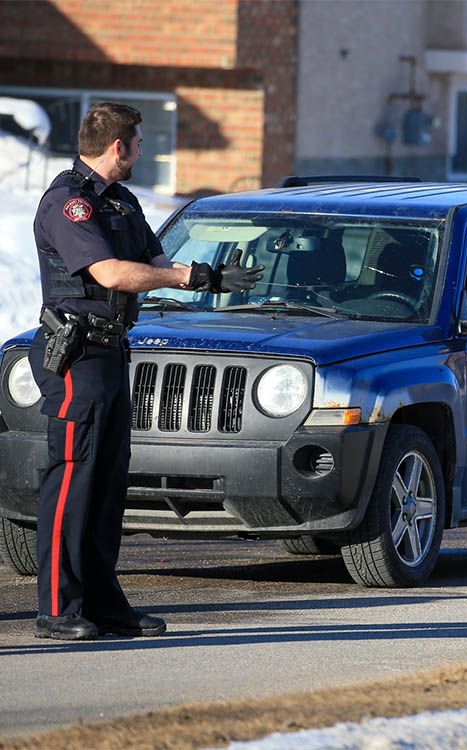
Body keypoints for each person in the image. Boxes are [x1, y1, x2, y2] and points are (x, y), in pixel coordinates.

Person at [29, 102, 262, 640]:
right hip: (76, 357)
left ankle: (104, 605)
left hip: (111, 355)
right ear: (118, 147)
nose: (141, 151)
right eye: (137, 143)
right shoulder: (69, 204)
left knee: (108, 484)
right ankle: (58, 609)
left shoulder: (123, 203)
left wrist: (209, 275)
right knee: (72, 481)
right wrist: (184, 278)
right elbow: (109, 272)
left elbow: (156, 264)